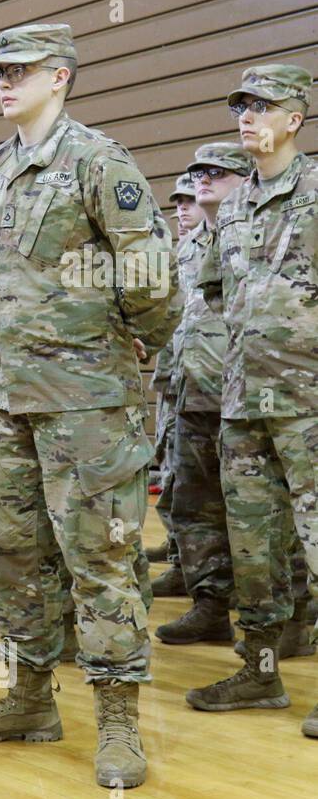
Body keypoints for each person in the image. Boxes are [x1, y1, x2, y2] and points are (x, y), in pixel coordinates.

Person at [0, 25, 177, 789]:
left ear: (61, 76)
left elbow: (149, 271)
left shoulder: (99, 161)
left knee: (100, 556)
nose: (2, 82)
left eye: (18, 70)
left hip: (87, 401)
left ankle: (117, 719)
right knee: (12, 555)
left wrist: (134, 343)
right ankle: (31, 698)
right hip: (8, 397)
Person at [184, 65, 318, 740]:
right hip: (244, 400)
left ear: (295, 118)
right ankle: (261, 670)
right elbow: (214, 292)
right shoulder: (232, 206)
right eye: (240, 105)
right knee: (254, 545)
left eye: (262, 106)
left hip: (309, 397)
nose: (247, 116)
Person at [152, 148, 247, 643]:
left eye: (216, 173)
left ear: (245, 179)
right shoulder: (190, 247)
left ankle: (285, 618)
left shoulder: (256, 234)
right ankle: (210, 604)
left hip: (248, 398)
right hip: (194, 394)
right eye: (197, 173)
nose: (202, 181)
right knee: (194, 505)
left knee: (256, 512)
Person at [145, 174, 204, 581]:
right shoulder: (180, 251)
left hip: (209, 382)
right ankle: (182, 556)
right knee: (172, 474)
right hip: (175, 379)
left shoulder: (216, 247)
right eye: (177, 202)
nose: (180, 208)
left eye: (188, 200)